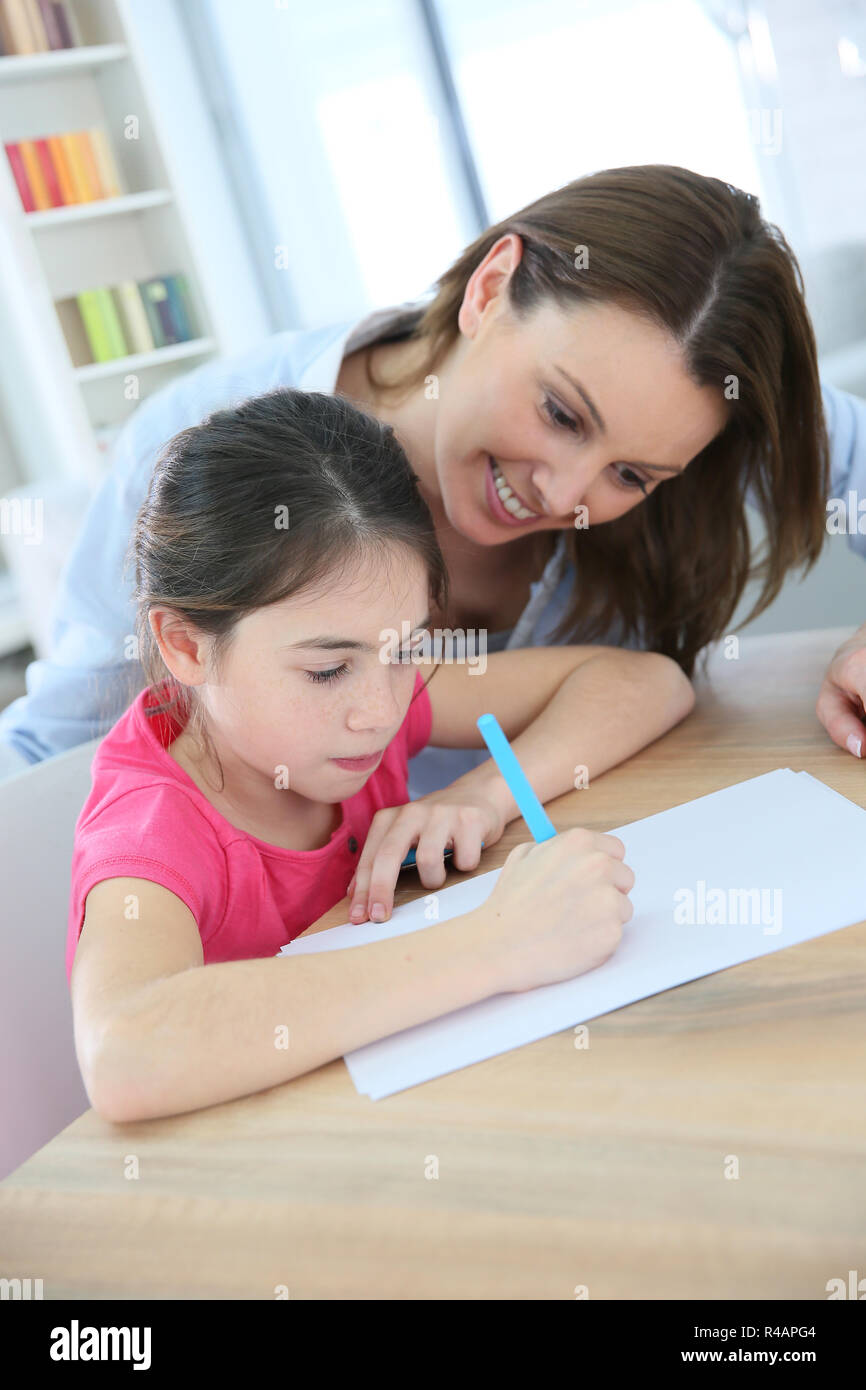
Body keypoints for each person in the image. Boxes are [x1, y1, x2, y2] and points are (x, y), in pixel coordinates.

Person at [2, 164, 865, 789]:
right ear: (491, 289)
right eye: (562, 414)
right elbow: (55, 748)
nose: (565, 497)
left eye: (633, 475)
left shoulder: (699, 397)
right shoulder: (206, 445)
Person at [68, 387, 693, 1120]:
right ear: (186, 646)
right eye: (327, 671)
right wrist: (494, 945)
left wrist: (483, 793)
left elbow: (649, 682)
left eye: (408, 650)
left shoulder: (356, 706)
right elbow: (125, 1052)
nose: (382, 712)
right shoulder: (152, 828)